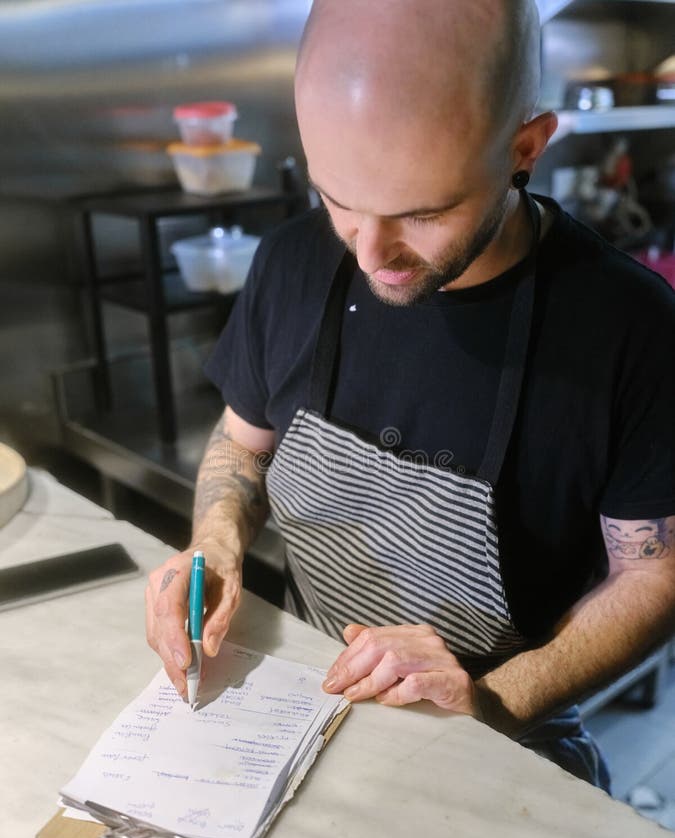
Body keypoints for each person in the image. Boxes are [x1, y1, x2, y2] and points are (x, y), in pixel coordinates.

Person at [145, 0, 675, 790]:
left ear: (524, 147)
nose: (370, 253)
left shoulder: (628, 326)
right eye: (338, 200)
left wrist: (491, 700)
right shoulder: (291, 261)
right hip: (308, 701)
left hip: (506, 740)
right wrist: (215, 539)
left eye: (423, 213)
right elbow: (241, 444)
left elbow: (653, 574)